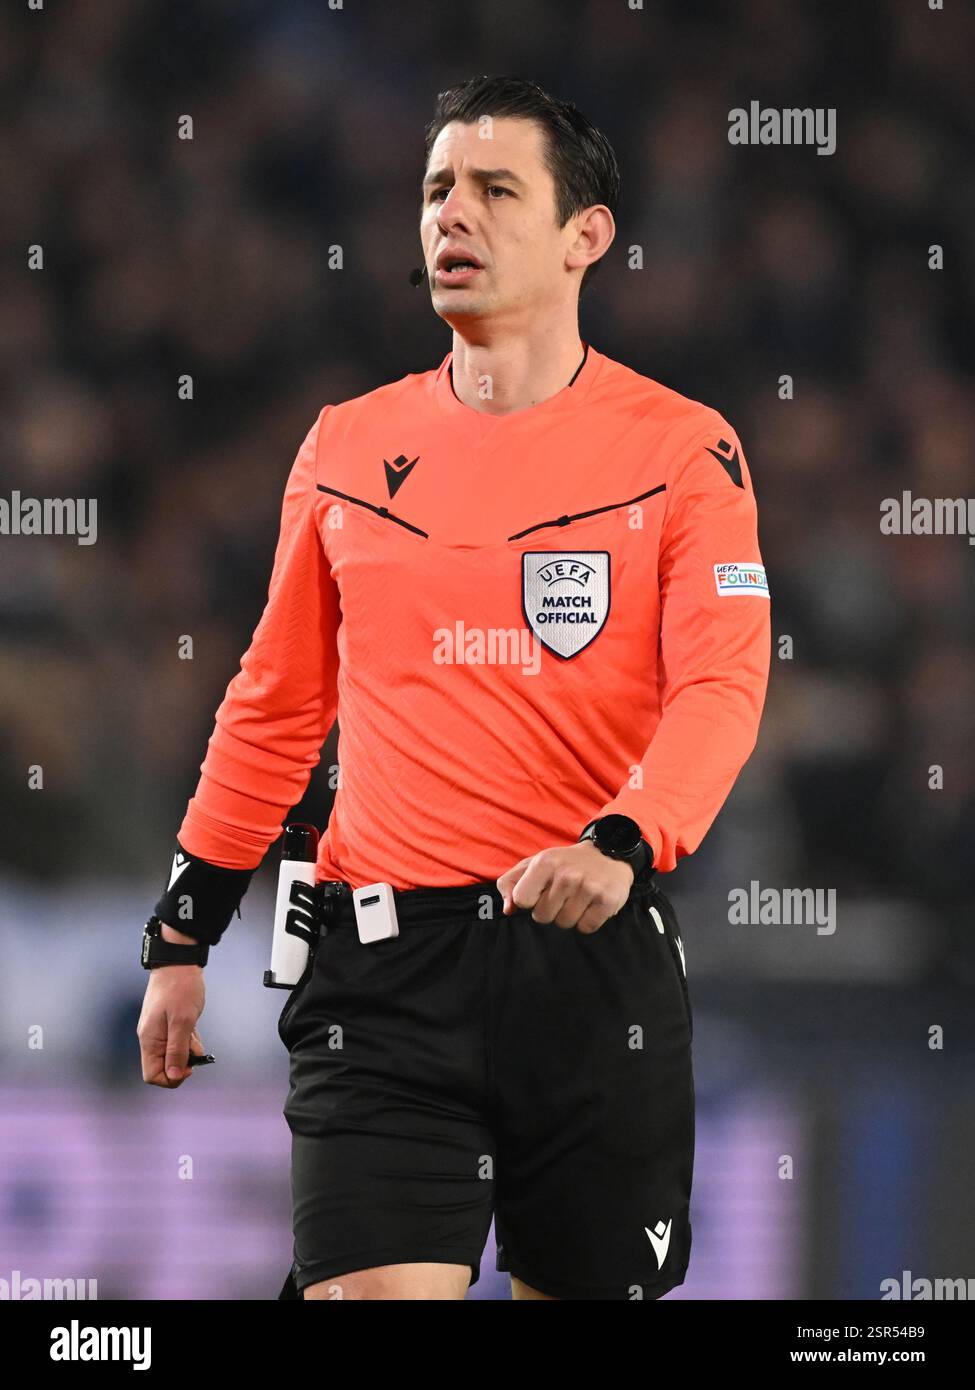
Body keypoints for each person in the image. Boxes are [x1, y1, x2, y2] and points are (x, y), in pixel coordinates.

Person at [137, 74, 771, 1301]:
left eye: (494, 190)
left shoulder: (685, 450)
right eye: (436, 190)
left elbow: (722, 678)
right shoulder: (344, 445)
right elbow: (275, 704)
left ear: (586, 235)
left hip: (589, 971)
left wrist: (628, 837)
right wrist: (182, 931)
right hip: (382, 974)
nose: (451, 216)